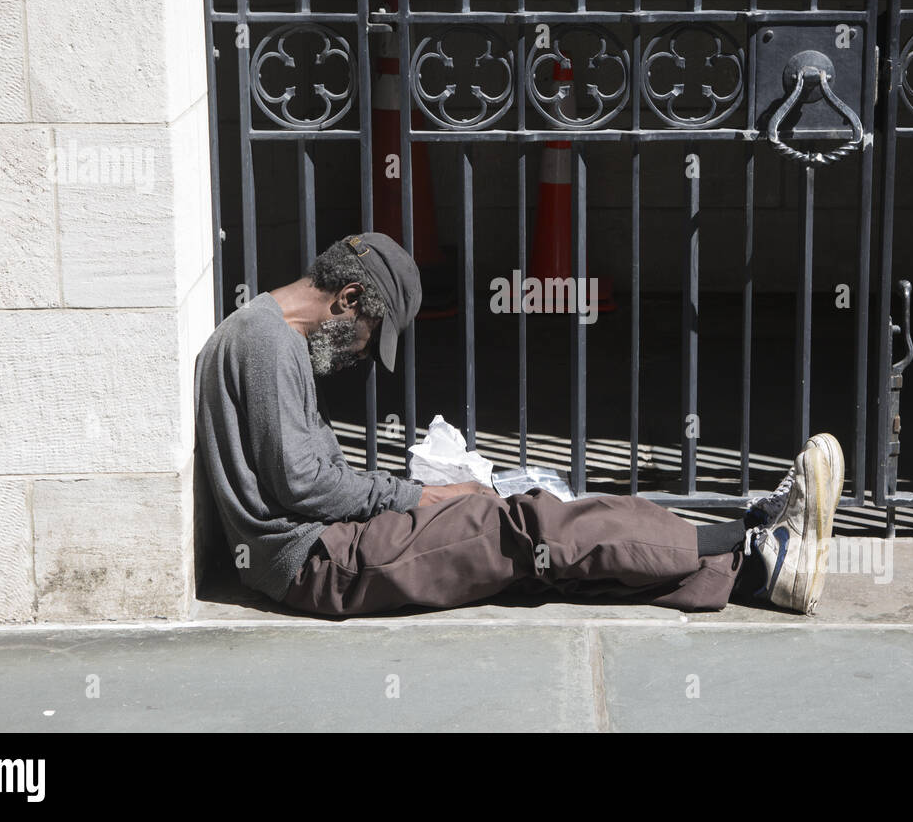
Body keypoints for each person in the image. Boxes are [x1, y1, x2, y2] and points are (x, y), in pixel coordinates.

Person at [194, 232, 844, 617]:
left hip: (326, 548)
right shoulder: (266, 342)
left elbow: (302, 477)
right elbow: (304, 485)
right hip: (321, 560)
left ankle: (755, 571)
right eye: (370, 336)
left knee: (538, 559)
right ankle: (750, 531)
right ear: (351, 298)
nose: (362, 352)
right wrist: (421, 495)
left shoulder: (265, 336)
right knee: (526, 523)